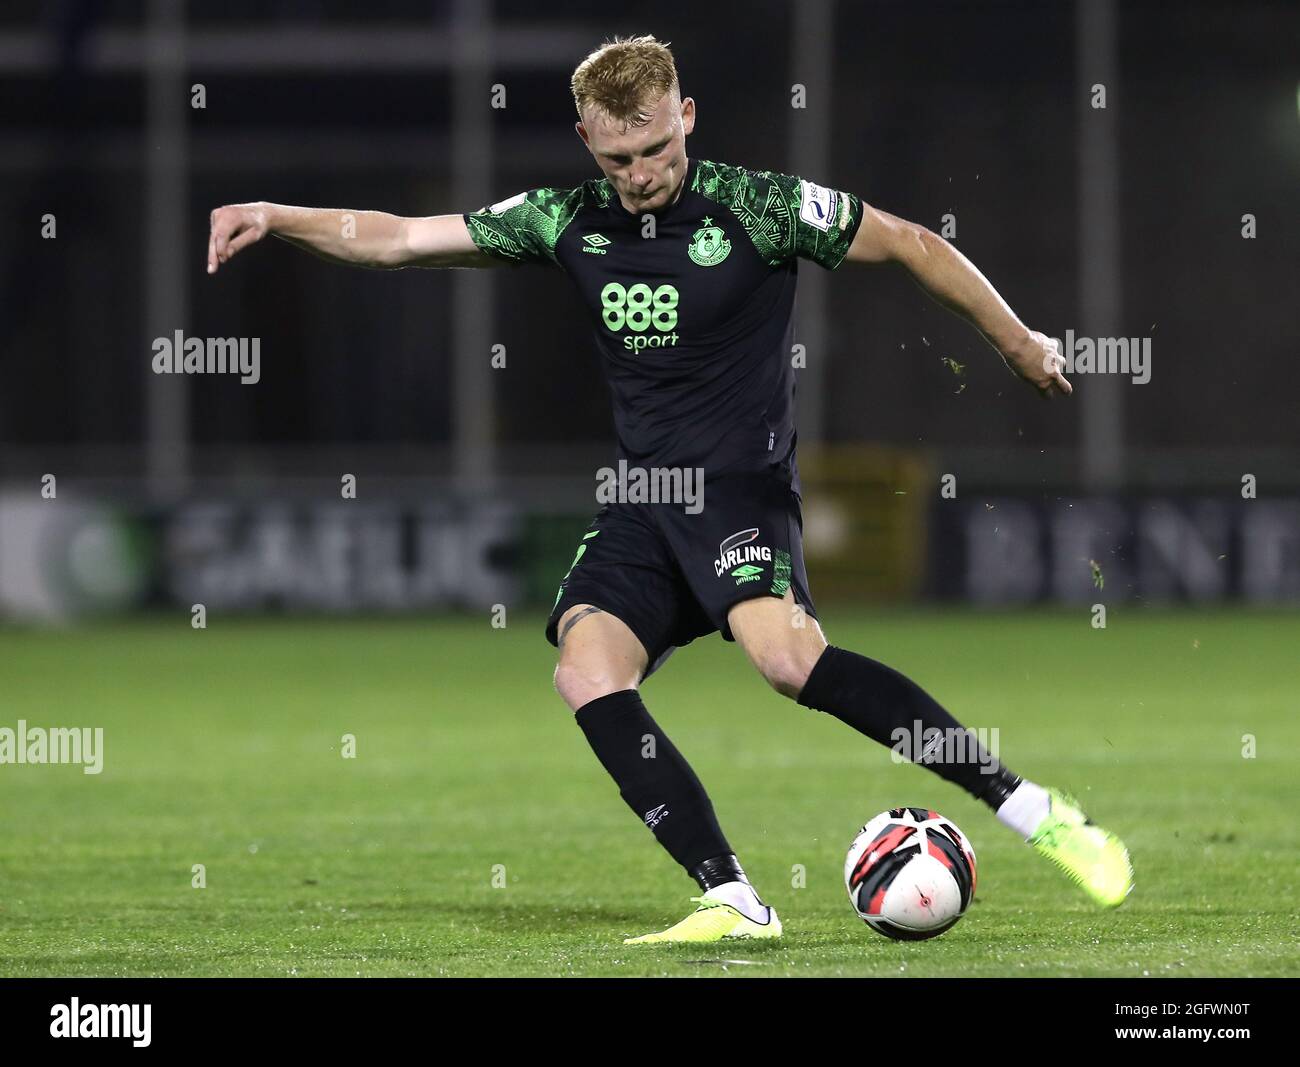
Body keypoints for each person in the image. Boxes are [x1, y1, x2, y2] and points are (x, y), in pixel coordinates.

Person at [207, 34, 1132, 945]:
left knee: (786, 662)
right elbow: (401, 239)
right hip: (643, 508)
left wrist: (1016, 342)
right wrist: (275, 213)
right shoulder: (562, 219)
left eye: (656, 147)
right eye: (619, 156)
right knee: (584, 669)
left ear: (685, 116)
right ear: (586, 143)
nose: (642, 171)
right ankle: (731, 896)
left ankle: (1034, 810)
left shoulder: (759, 208)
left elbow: (911, 243)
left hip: (738, 495)